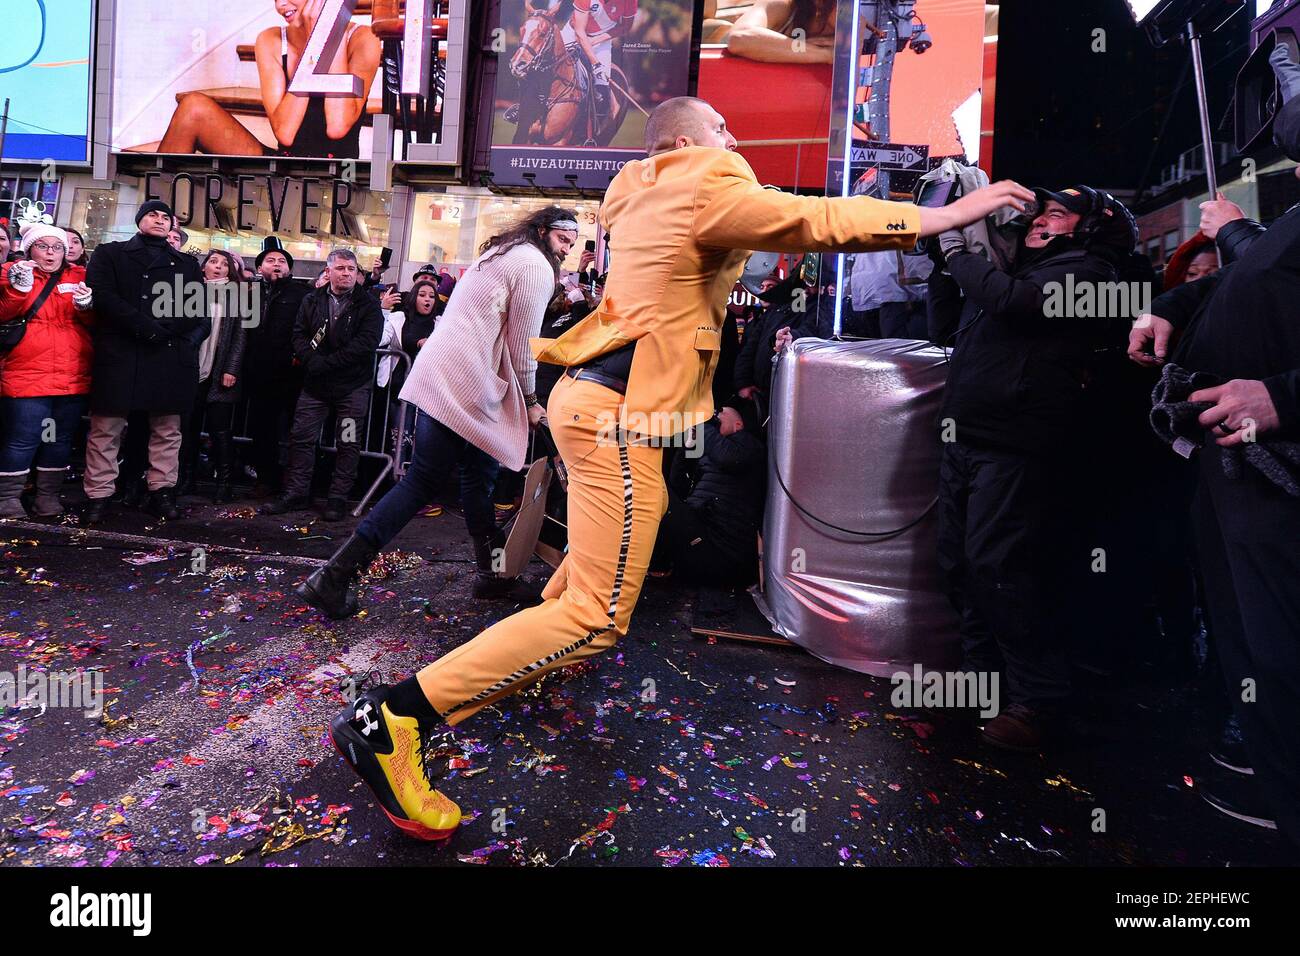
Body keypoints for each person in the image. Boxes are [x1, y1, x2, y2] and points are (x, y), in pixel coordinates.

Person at [322, 95, 1033, 841]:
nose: (736, 140)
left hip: (599, 402)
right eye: (725, 129)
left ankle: (519, 665)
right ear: (691, 140)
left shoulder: (639, 190)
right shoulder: (706, 176)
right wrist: (943, 216)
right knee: (597, 617)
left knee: (591, 583)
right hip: (619, 415)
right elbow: (812, 220)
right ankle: (396, 717)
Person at [929, 185, 1137, 752]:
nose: (1040, 221)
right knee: (959, 562)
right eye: (1039, 213)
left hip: (1016, 444)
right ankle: (980, 681)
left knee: (1001, 567)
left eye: (1058, 214)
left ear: (1093, 230)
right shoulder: (1014, 271)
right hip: (968, 437)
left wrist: (958, 250)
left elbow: (1013, 304)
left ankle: (1036, 701)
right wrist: (945, 267)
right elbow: (945, 328)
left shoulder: (1090, 275)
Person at [295, 207, 576, 619]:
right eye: (562, 240)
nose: (566, 250)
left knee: (478, 478)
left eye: (571, 243)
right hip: (464, 385)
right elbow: (523, 346)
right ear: (540, 231)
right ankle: (334, 575)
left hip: (456, 380)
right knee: (423, 482)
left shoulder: (504, 252)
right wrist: (533, 401)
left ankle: (493, 573)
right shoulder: (534, 264)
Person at [81, 200, 208, 524]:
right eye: (153, 214)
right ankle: (98, 495)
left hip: (166, 355)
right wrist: (145, 326)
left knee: (167, 430)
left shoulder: (186, 263)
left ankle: (161, 491)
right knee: (106, 429)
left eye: (167, 217)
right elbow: (104, 296)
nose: (160, 220)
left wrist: (173, 336)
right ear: (139, 220)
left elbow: (196, 311)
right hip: (121, 352)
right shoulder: (110, 254)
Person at [158, 0, 380, 158]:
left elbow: (337, 127)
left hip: (338, 173)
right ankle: (156, 216)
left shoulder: (363, 40)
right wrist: (315, 45)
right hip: (284, 165)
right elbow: (285, 133)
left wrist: (331, 35)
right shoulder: (271, 40)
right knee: (193, 107)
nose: (280, 5)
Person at [264, 248, 382, 522]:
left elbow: (366, 344)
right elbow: (299, 335)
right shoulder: (311, 300)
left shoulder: (368, 304)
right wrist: (310, 360)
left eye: (351, 269)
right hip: (315, 386)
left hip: (352, 386)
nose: (346, 273)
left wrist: (325, 363)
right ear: (328, 272)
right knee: (301, 438)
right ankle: (296, 492)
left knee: (348, 442)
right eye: (340, 268)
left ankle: (338, 498)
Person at [0, 222, 95, 518]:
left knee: (58, 438)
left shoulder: (80, 276)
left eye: (57, 248)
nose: (51, 253)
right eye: (43, 246)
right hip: (27, 372)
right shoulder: (11, 272)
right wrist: (17, 291)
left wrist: (88, 307)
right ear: (30, 249)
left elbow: (98, 326)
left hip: (72, 373)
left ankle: (47, 496)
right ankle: (8, 498)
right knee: (22, 438)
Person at [651, 402, 766, 587]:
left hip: (722, 550)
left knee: (656, 493)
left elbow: (728, 458)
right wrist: (686, 451)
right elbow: (676, 486)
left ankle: (659, 567)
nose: (713, 419)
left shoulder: (749, 445)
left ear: (738, 425)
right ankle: (657, 567)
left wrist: (702, 424)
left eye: (718, 416)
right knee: (654, 491)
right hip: (702, 540)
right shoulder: (713, 451)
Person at [179, 250, 249, 502]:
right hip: (190, 369)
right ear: (204, 266)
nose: (218, 267)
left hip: (220, 371)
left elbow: (241, 338)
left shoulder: (239, 296)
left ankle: (224, 483)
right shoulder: (190, 291)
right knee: (188, 428)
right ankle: (186, 480)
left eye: (224, 264)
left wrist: (231, 369)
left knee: (220, 431)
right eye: (213, 261)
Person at [244, 237, 309, 498]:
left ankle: (293, 483)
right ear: (260, 267)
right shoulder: (249, 293)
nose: (277, 265)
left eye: (282, 261)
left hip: (292, 374)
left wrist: (298, 355)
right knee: (262, 429)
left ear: (290, 269)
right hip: (259, 373)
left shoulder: (302, 294)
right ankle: (266, 479)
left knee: (296, 431)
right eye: (270, 261)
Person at [726, 0, 836, 65]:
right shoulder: (783, 6)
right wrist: (827, 55)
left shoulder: (849, 38)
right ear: (820, 2)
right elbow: (739, 37)